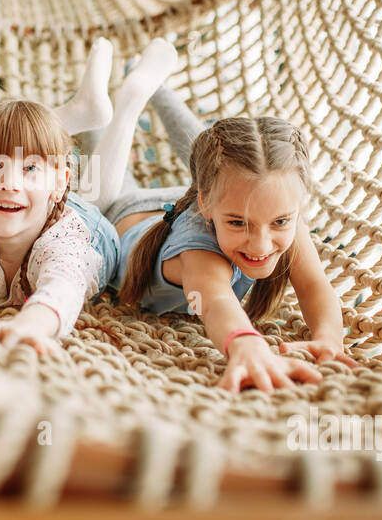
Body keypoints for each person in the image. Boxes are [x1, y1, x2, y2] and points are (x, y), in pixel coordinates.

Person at [0, 38, 179, 354]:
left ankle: (130, 102)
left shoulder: (65, 246)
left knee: (100, 199)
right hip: (31, 201)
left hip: (85, 227)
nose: (8, 181)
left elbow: (63, 284)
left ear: (60, 185)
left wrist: (33, 324)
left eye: (28, 167)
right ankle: (78, 115)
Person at [109, 85, 357, 392]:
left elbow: (313, 284)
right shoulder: (198, 254)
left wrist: (329, 337)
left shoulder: (272, 211)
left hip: (222, 200)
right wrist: (246, 345)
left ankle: (157, 88)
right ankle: (124, 101)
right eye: (240, 225)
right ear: (204, 204)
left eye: (281, 221)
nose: (261, 245)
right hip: (128, 215)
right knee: (107, 166)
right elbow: (214, 302)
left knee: (220, 162)